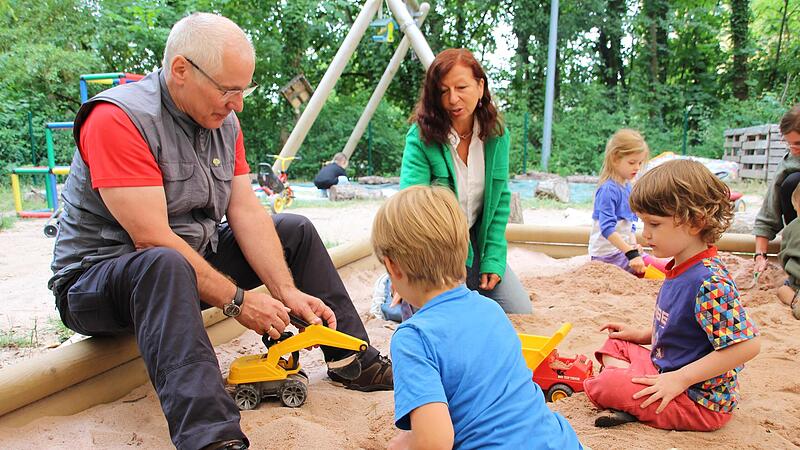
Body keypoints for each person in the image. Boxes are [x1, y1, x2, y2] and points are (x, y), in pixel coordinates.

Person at [48, 13, 391, 450]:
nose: (239, 104)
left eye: (242, 90)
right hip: (98, 281)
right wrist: (239, 302)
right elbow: (151, 238)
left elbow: (246, 210)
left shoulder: (223, 122)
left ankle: (352, 362)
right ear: (181, 70)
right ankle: (212, 437)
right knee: (163, 262)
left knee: (295, 230)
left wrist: (285, 291)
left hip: (182, 261)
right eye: (229, 90)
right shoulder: (117, 119)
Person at [374, 186, 584, 450]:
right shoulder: (491, 310)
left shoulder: (413, 338)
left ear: (392, 267)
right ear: (464, 250)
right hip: (558, 441)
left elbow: (435, 442)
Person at [583, 160, 760, 431]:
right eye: (644, 223)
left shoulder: (709, 281)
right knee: (614, 344)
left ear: (695, 222)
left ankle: (628, 391)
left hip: (698, 401)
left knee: (605, 385)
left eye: (654, 224)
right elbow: (687, 331)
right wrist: (643, 335)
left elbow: (747, 346)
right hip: (666, 369)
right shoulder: (683, 264)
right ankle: (632, 389)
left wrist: (680, 379)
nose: (645, 234)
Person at [400, 48, 531, 314]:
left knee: (519, 311)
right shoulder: (420, 137)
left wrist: (493, 259)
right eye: (443, 90)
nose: (452, 99)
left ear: (480, 86)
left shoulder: (497, 134)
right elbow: (410, 207)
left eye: (462, 87)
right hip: (433, 246)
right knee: (440, 313)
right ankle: (395, 293)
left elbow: (499, 201)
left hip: (475, 239)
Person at [588, 129, 649, 275]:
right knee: (653, 268)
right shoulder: (608, 190)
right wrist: (631, 253)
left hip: (621, 252)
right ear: (615, 159)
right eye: (632, 162)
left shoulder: (628, 187)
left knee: (658, 266)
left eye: (640, 163)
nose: (637, 167)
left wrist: (632, 245)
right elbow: (607, 229)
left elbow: (630, 225)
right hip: (607, 256)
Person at [753, 104, 800, 274]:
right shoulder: (790, 163)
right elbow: (768, 212)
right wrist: (760, 254)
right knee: (792, 182)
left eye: (798, 144)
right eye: (789, 144)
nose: (794, 150)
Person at [776, 185, 800, 319]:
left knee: (783, 289)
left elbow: (784, 255)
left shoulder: (791, 228)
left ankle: (794, 300)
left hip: (797, 282)